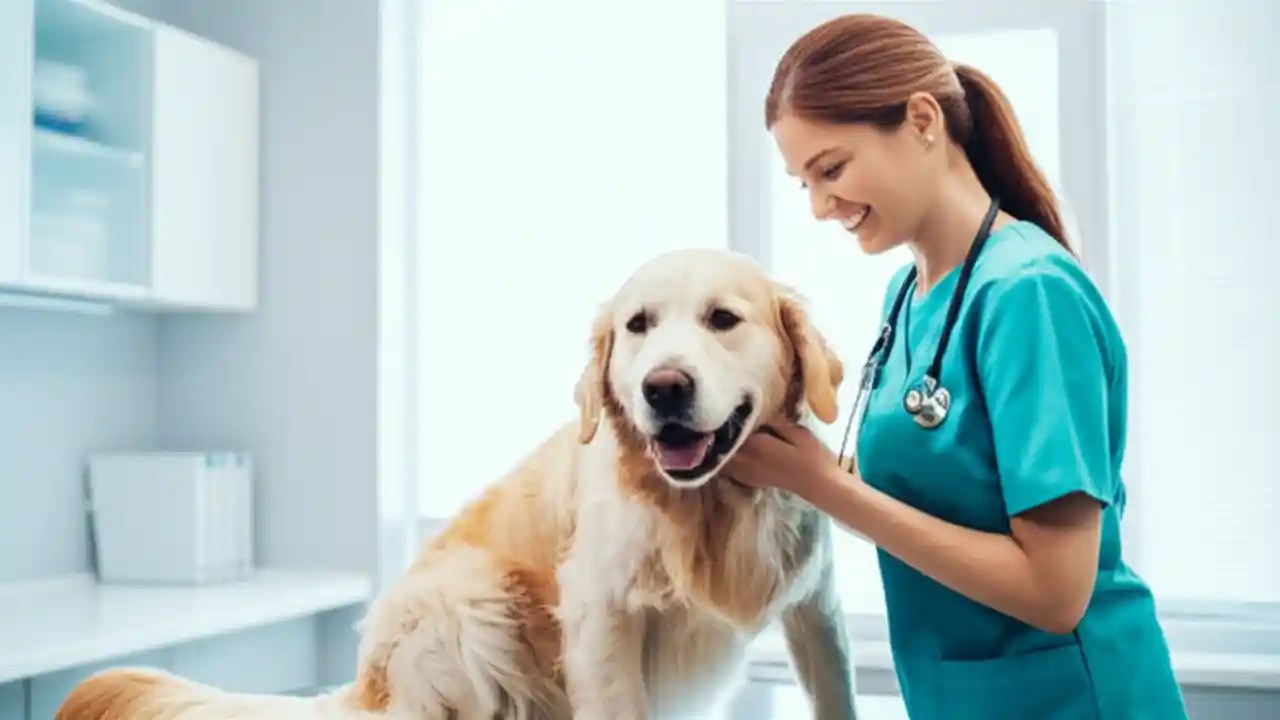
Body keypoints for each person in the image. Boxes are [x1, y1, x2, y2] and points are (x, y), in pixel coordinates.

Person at [725, 13, 1189, 720]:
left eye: (832, 169)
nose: (820, 206)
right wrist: (787, 467)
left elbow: (1056, 593)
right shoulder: (907, 294)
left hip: (1075, 700)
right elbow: (913, 507)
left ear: (922, 121)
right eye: (803, 184)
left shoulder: (1029, 292)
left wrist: (823, 484)